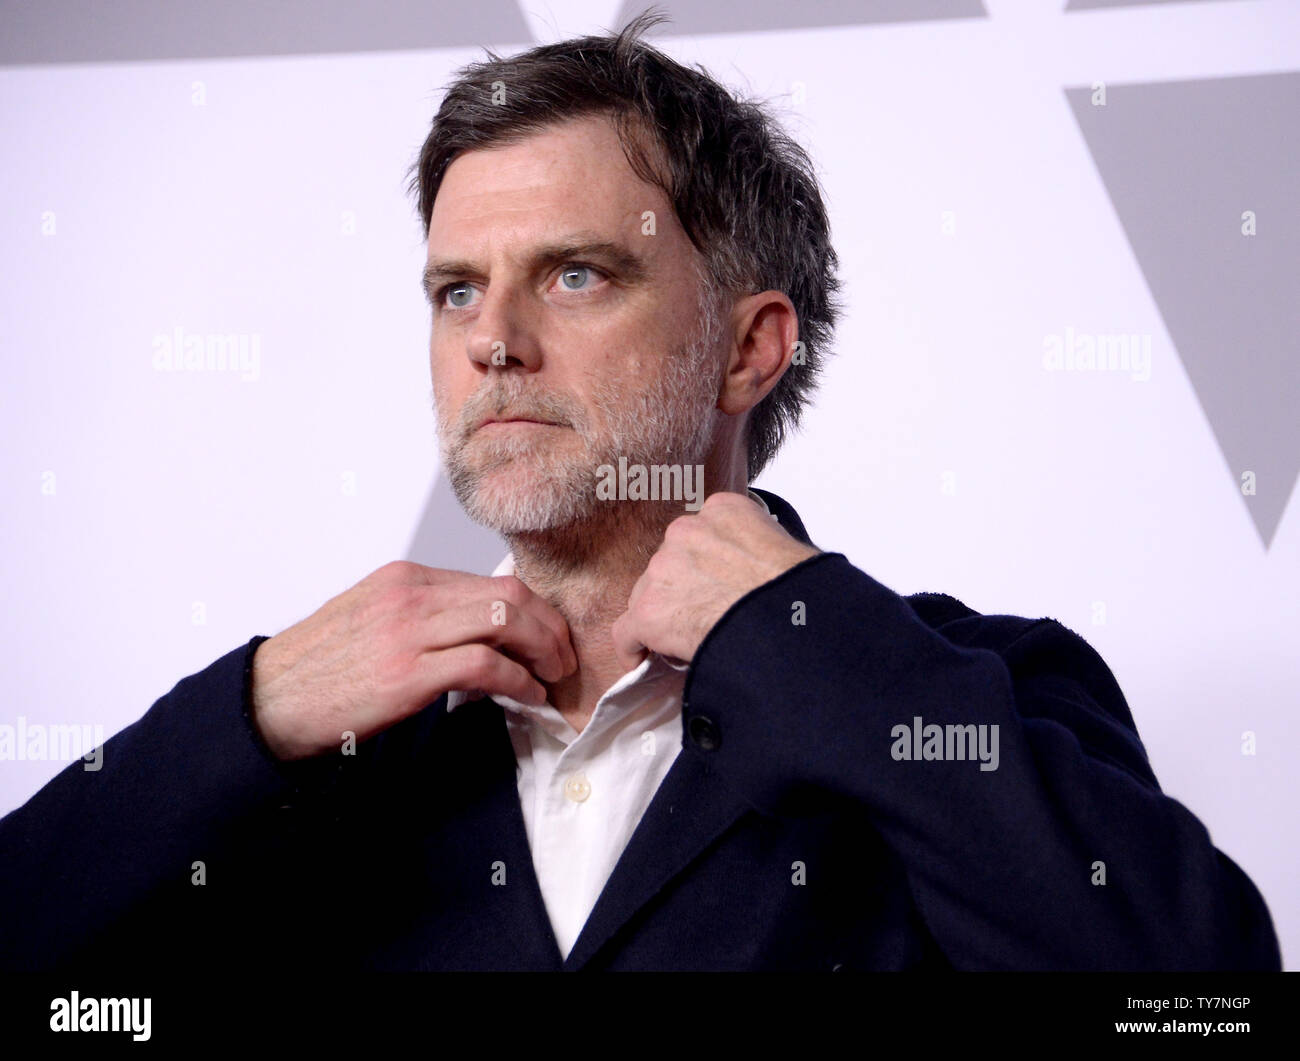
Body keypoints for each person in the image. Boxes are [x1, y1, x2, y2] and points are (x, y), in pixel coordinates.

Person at [0, 13, 1280, 972]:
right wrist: (255, 709)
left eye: (573, 275)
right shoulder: (328, 757)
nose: (491, 339)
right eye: (456, 290)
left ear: (746, 347)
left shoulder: (969, 686)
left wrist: (815, 642)